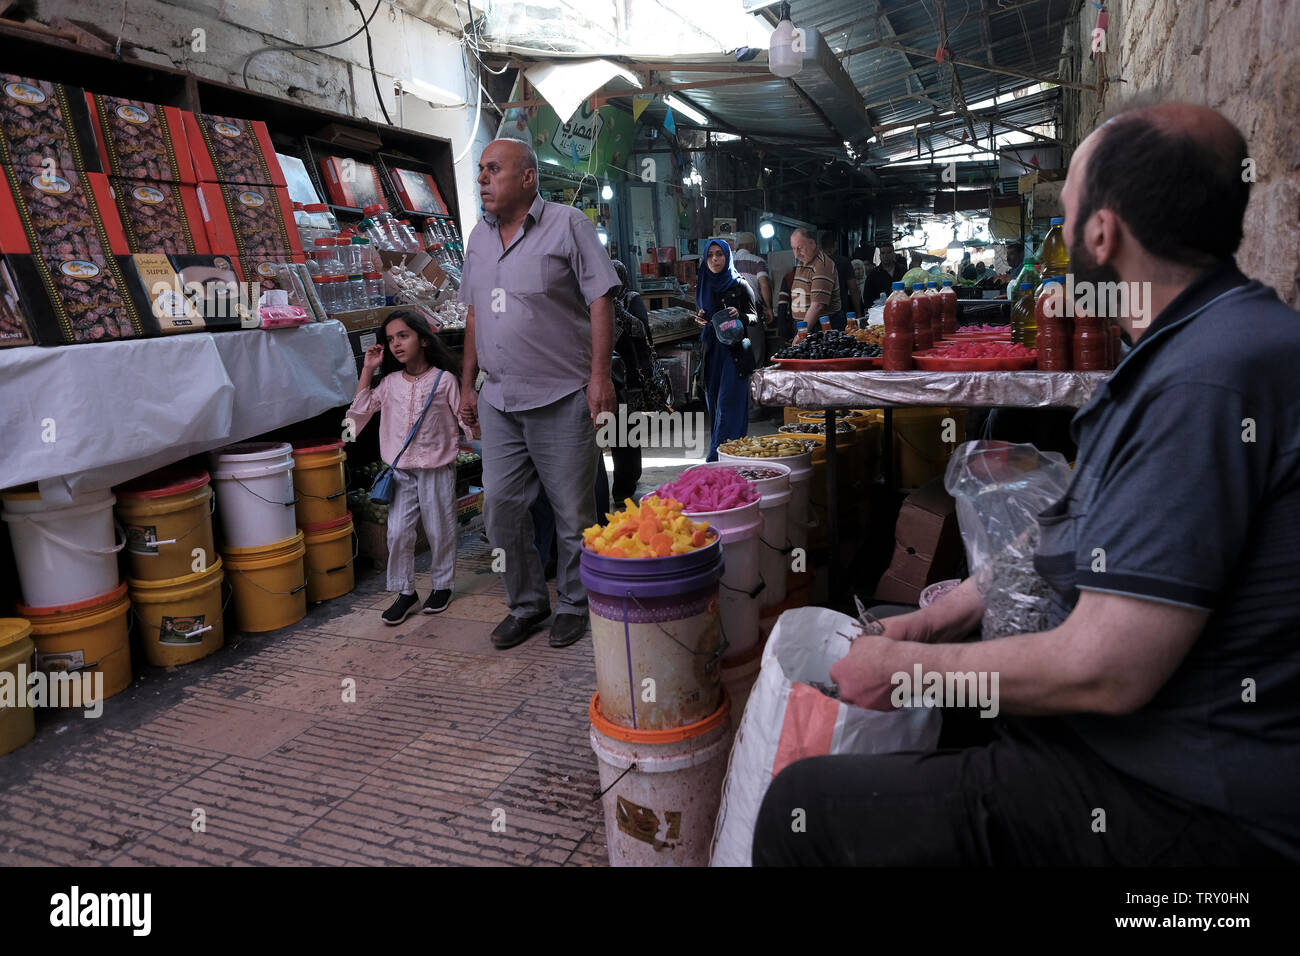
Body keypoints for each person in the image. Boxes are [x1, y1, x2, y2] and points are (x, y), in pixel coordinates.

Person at [753, 102, 1300, 866]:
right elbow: (1090, 526)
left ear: (1102, 233)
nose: (1062, 231)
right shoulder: (1207, 344)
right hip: (1146, 751)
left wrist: (910, 673)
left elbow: (1109, 668)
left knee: (800, 808)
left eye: (1068, 209)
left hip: (1187, 806)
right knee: (914, 639)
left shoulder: (1208, 382)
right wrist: (940, 623)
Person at [457, 136, 619, 651]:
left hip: (562, 396)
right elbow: (475, 314)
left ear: (528, 178)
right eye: (481, 169)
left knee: (573, 513)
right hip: (500, 399)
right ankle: (527, 605)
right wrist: (466, 382)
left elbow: (600, 299)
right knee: (500, 510)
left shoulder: (568, 225)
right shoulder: (478, 239)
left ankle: (575, 603)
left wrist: (600, 377)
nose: (482, 178)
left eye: (494, 169)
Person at [349, 311, 467, 624]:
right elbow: (359, 412)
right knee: (398, 533)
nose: (396, 344)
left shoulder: (444, 381)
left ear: (424, 339)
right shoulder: (388, 383)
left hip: (436, 470)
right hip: (399, 473)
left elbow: (468, 421)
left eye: (403, 336)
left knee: (440, 530)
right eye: (390, 339)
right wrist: (368, 369)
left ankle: (442, 585)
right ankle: (405, 591)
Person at [695, 238, 757, 461]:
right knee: (714, 405)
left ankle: (719, 457)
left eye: (719, 254)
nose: (714, 259)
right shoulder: (703, 282)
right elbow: (704, 314)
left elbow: (754, 317)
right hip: (712, 352)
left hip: (734, 353)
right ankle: (729, 454)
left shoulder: (740, 284)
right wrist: (701, 320)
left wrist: (738, 314)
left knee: (728, 403)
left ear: (727, 256)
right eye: (710, 255)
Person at [789, 227, 841, 332]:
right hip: (805, 325)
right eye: (793, 248)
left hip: (820, 326)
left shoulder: (822, 264)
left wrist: (801, 333)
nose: (796, 254)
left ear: (812, 244)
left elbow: (817, 306)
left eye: (799, 248)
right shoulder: (803, 261)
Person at [820, 231, 864, 321]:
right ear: (835, 244)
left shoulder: (815, 263)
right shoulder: (843, 262)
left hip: (819, 314)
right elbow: (853, 289)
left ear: (821, 246)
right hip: (839, 312)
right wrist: (859, 313)